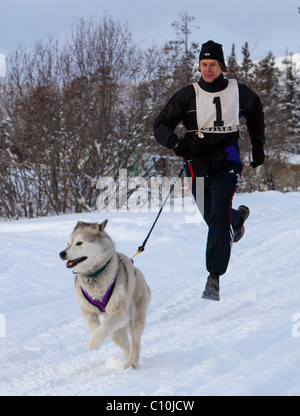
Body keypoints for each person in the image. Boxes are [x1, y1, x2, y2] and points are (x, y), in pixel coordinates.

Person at [153, 40, 265, 301]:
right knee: (214, 216)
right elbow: (161, 124)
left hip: (228, 160)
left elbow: (256, 112)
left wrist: (258, 145)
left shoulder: (239, 91)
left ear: (221, 65)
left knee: (217, 217)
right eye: (204, 64)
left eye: (212, 64)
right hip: (197, 164)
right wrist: (175, 142)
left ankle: (213, 278)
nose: (208, 69)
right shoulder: (187, 94)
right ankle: (236, 221)